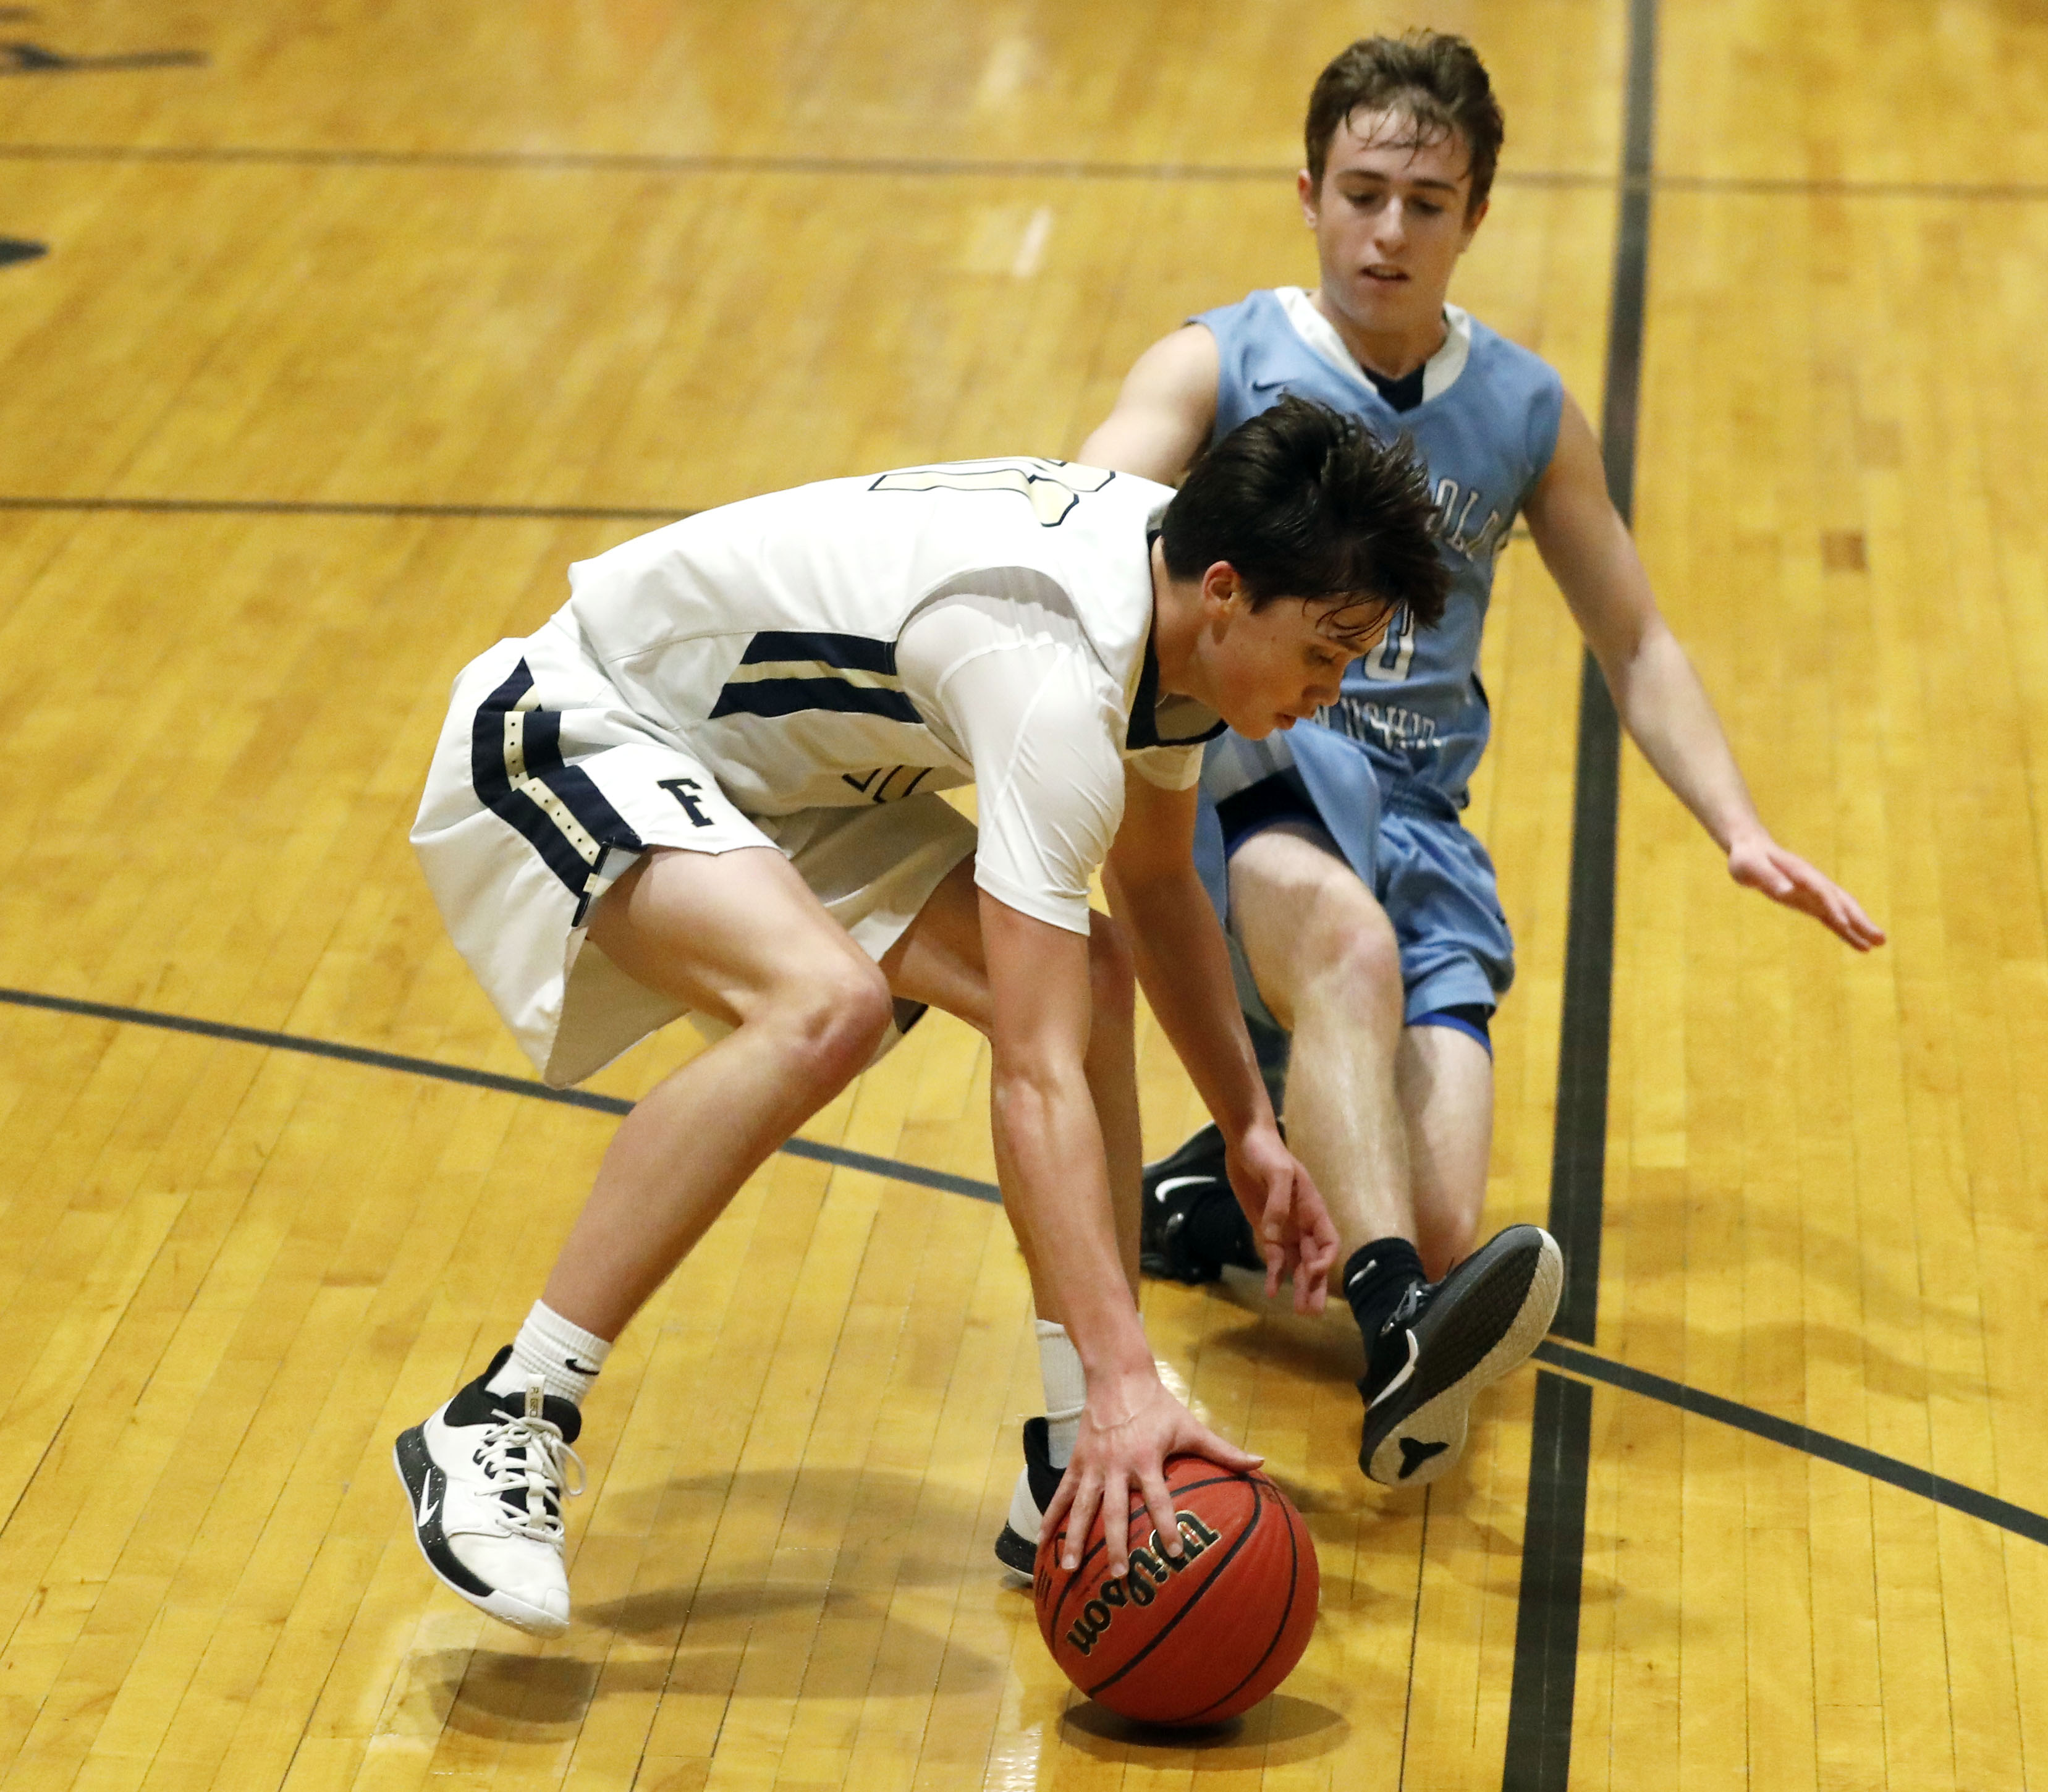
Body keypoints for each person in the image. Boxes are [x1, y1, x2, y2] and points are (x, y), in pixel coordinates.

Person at [394, 398, 1445, 1634]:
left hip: (784, 781)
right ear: (1226, 593)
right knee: (827, 1004)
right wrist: (1130, 1371)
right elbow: (1035, 1078)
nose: (1329, 689)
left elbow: (1158, 886)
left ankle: (1073, 1444)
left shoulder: (1177, 614)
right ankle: (511, 1406)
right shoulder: (1050, 673)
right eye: (1324, 650)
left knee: (1088, 978)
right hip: (586, 720)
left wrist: (1249, 1124)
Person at [1068, 32, 1885, 1495]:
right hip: (1253, 773)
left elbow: (1633, 637)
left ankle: (1210, 1197)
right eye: (1360, 195)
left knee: (1445, 1225)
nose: (1387, 233)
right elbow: (1082, 522)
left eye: (1425, 204)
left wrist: (1736, 824)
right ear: (1307, 193)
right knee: (1347, 956)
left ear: (1476, 216)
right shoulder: (1215, 362)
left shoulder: (1519, 408)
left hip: (1420, 820)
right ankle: (1393, 1331)